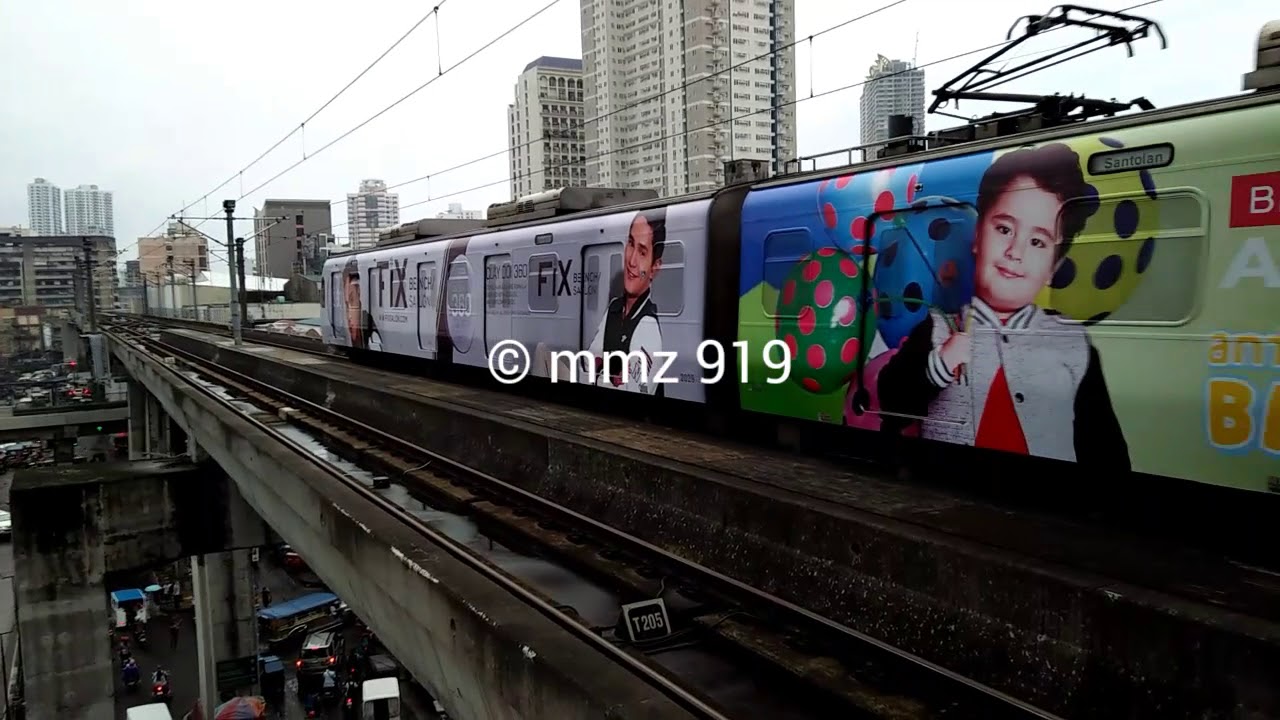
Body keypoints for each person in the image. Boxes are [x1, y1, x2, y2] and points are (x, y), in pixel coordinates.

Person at [877, 143, 1129, 468]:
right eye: (1004, 229)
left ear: (1054, 266)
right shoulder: (940, 328)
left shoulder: (1074, 345)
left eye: (1038, 242)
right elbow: (890, 402)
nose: (1015, 251)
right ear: (978, 237)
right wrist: (941, 363)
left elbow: (1104, 446)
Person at [538, 209, 668, 395]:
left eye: (642, 252)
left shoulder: (649, 328)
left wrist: (600, 370)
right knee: (542, 351)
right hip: (594, 389)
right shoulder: (615, 307)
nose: (631, 261)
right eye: (631, 244)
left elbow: (631, 391)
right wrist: (605, 371)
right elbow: (590, 361)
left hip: (614, 404)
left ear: (655, 267)